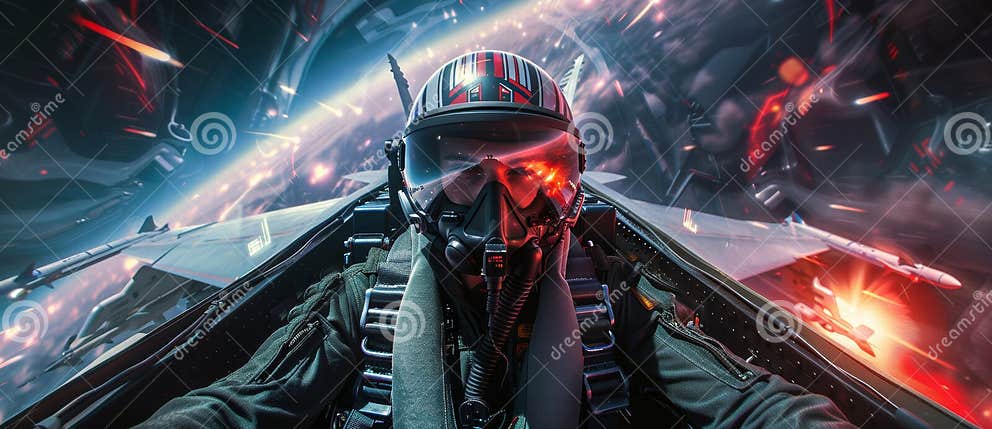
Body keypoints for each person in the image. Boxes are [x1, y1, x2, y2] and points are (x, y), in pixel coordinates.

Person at [137, 51, 854, 429]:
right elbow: (235, 405)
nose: (497, 205)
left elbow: (753, 401)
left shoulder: (607, 296)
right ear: (411, 178)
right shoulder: (366, 299)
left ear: (568, 175)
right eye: (463, 172)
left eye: (527, 172)